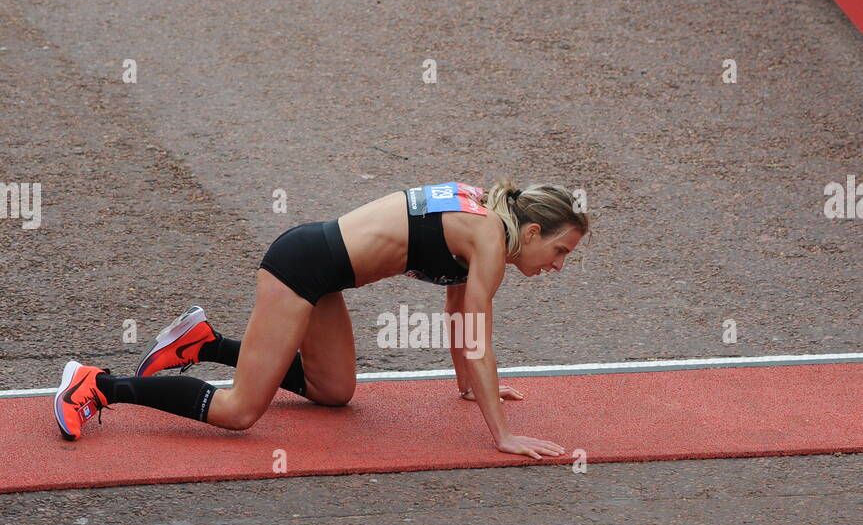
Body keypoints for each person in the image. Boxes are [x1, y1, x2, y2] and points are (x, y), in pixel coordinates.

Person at [53, 177, 590, 460]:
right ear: (535, 232)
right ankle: (97, 385)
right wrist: (502, 435)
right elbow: (477, 339)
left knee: (333, 390)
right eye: (562, 252)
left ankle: (203, 343)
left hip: (323, 273)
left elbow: (457, 308)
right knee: (240, 412)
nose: (560, 266)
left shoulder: (489, 223)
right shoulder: (492, 242)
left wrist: (467, 388)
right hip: (300, 268)